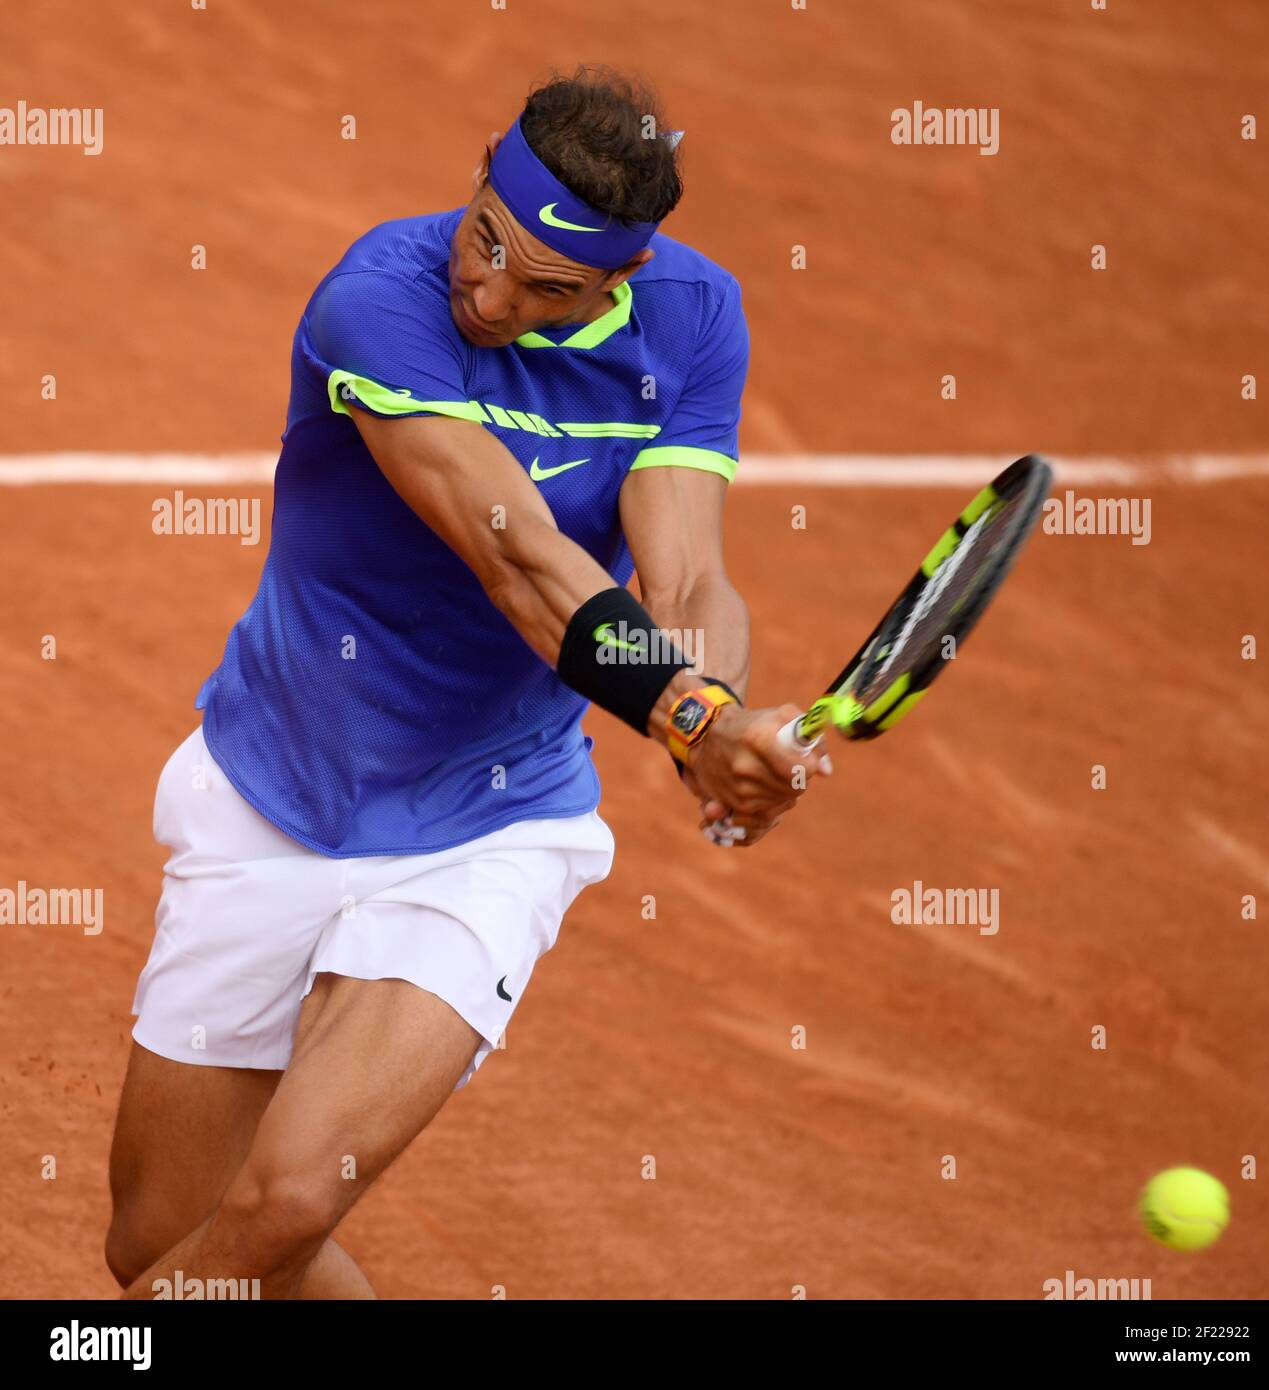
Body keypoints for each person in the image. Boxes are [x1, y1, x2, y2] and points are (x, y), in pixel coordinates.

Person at [106, 67, 828, 1300]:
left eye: (546, 288)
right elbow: (517, 559)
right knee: (160, 1240)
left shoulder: (696, 318)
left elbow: (688, 570)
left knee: (284, 1200)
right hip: (273, 784)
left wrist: (712, 714)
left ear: (620, 282)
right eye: (484, 239)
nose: (489, 293)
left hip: (488, 824)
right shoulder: (378, 298)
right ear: (482, 166)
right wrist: (691, 718)